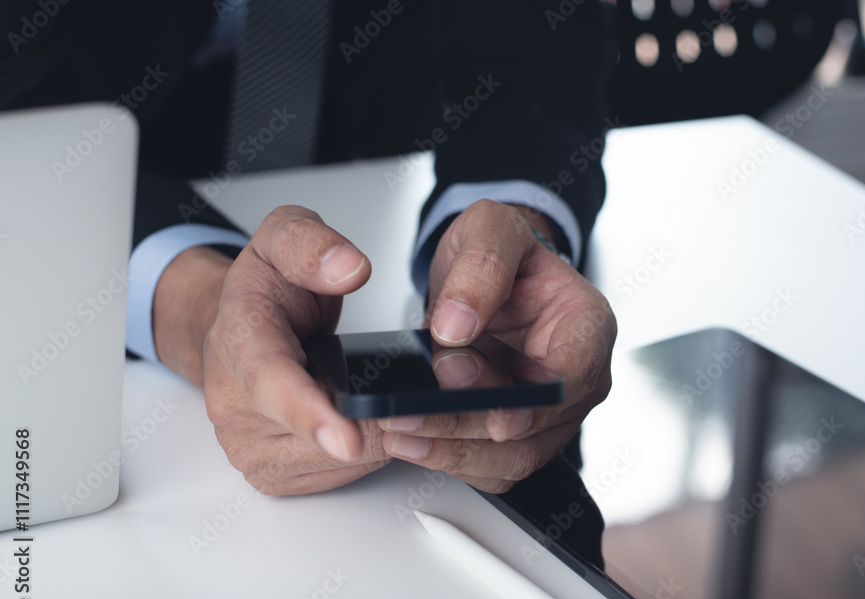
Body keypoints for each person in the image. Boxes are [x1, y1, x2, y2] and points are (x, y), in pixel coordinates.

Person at [0, 0, 618, 495]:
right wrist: (200, 303)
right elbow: (20, 143)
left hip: (369, 156)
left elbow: (539, 47)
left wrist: (514, 228)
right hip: (110, 173)